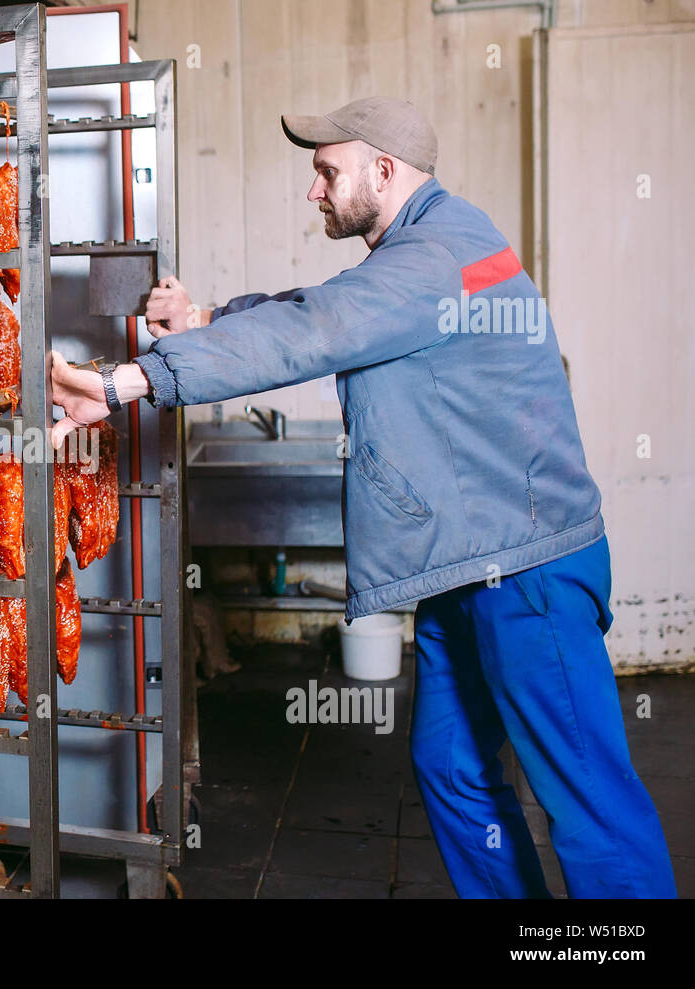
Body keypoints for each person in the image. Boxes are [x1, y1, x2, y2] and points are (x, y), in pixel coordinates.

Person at [49, 96, 676, 899]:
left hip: (529, 567)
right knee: (450, 765)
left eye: (326, 171)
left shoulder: (443, 253)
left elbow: (325, 326)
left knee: (586, 796)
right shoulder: (427, 251)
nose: (314, 191)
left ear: (384, 170)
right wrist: (205, 318)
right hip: (467, 564)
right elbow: (328, 312)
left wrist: (126, 381)